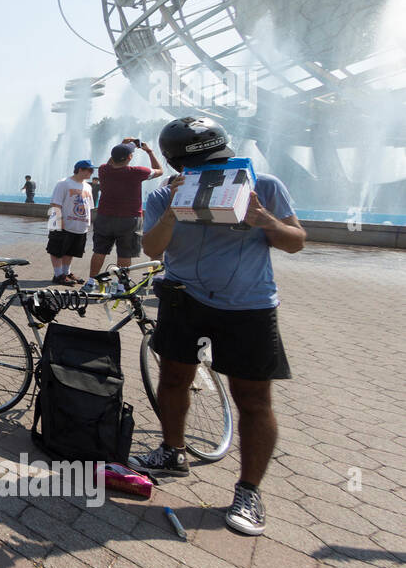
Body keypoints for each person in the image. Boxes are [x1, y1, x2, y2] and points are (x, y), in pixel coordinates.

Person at [130, 118, 305, 537]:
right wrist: (172, 212)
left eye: (219, 162)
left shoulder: (264, 184)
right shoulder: (160, 195)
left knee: (254, 398)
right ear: (176, 165)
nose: (213, 172)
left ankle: (249, 490)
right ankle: (172, 451)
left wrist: (265, 219)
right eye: (199, 166)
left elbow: (296, 240)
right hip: (182, 298)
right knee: (173, 378)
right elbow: (152, 248)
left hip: (248, 305)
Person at [83, 139, 163, 292]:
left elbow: (111, 162)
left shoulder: (103, 170)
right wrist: (149, 152)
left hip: (104, 217)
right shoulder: (138, 172)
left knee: (99, 251)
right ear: (130, 157)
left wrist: (123, 145)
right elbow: (159, 170)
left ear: (112, 157)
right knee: (125, 253)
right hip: (129, 219)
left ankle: (91, 282)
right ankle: (121, 286)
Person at [46, 160, 94, 285]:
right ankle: (58, 275)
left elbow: (89, 207)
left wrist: (88, 224)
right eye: (90, 170)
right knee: (57, 249)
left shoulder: (88, 186)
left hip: (80, 225)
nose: (91, 173)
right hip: (63, 223)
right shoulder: (63, 183)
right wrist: (57, 223)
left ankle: (66, 272)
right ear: (80, 169)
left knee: (71, 251)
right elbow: (55, 203)